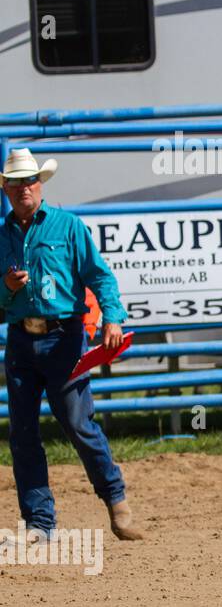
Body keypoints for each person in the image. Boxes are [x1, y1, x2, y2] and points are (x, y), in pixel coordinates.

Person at [0, 148, 144, 544]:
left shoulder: (68, 227)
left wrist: (112, 317)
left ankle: (116, 499)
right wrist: (5, 288)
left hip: (65, 337)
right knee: (23, 433)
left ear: (39, 185)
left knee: (77, 424)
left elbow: (100, 276)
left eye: (29, 181)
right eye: (15, 183)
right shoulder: (2, 235)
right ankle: (39, 524)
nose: (22, 189)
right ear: (7, 189)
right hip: (20, 341)